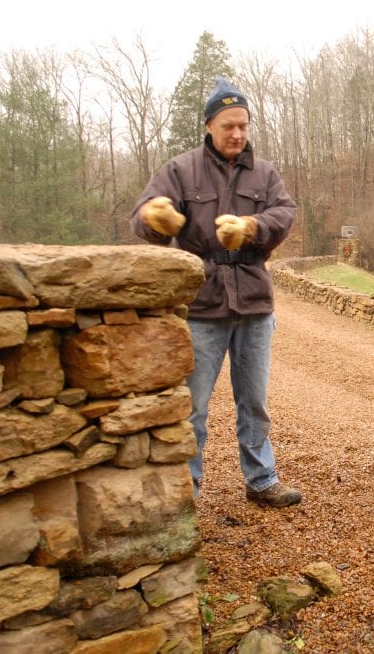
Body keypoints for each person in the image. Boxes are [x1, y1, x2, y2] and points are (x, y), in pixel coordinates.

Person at [130, 77, 301, 507]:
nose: (237, 134)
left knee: (254, 403)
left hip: (254, 304)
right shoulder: (180, 169)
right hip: (202, 305)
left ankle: (261, 480)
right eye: (228, 125)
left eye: (242, 125)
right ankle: (185, 490)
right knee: (194, 407)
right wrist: (157, 219)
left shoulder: (264, 172)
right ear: (209, 125)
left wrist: (251, 227)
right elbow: (143, 217)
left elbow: (285, 213)